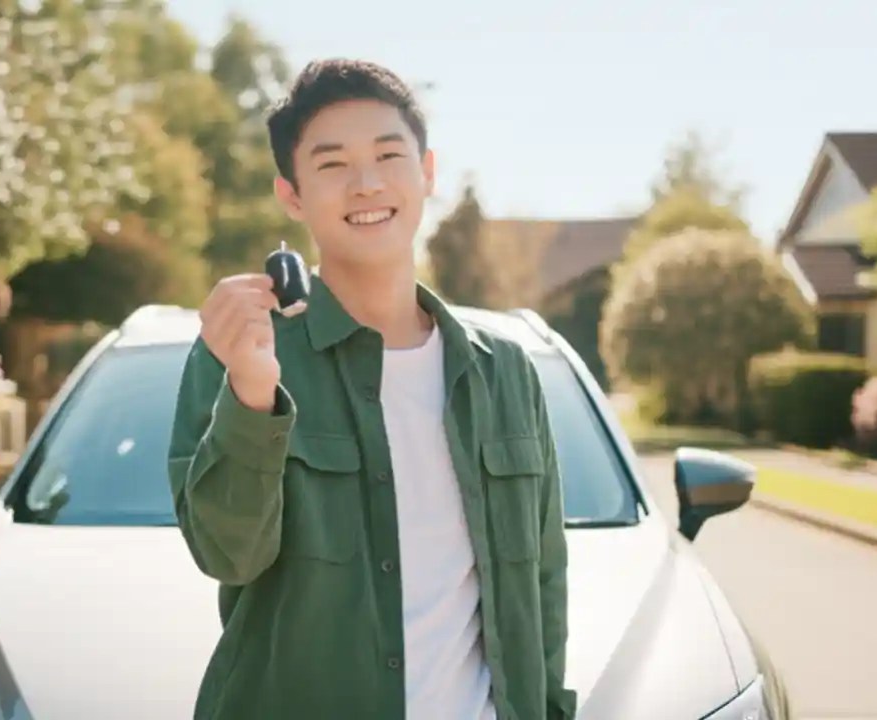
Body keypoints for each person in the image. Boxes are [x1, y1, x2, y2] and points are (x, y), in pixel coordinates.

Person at [168, 57, 573, 720]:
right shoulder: (239, 355)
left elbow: (544, 585)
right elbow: (225, 553)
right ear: (292, 195)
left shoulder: (505, 372)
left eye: (389, 155)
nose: (366, 184)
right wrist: (251, 393)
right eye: (331, 165)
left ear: (427, 173)